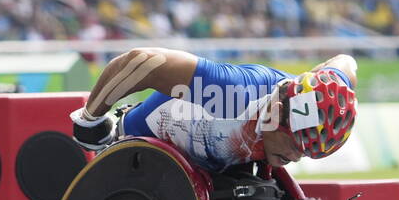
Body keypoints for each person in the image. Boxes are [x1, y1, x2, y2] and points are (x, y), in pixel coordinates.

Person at [69, 48, 358, 170]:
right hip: (137, 149)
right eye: (295, 144)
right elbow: (140, 62)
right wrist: (90, 119)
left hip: (211, 168)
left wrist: (317, 81)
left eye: (306, 152)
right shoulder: (231, 95)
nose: (295, 157)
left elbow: (346, 63)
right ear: (276, 111)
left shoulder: (307, 100)